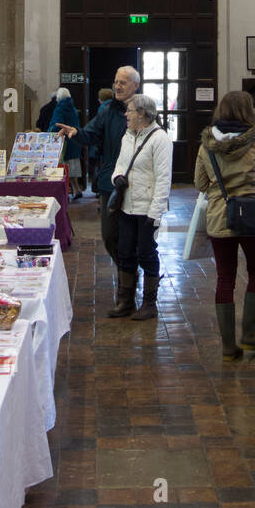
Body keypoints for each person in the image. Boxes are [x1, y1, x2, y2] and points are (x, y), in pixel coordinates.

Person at [194, 91, 255, 361]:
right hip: (251, 216)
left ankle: (229, 347)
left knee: (225, 277)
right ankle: (249, 336)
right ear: (247, 111)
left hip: (219, 215)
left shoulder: (207, 143)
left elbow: (200, 183)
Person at [58, 66, 139, 263]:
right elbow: (91, 134)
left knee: (133, 236)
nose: (117, 87)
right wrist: (76, 133)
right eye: (116, 82)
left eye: (123, 82)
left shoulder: (144, 110)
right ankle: (125, 269)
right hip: (109, 181)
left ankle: (127, 278)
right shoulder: (108, 110)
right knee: (109, 235)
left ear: (135, 86)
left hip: (137, 182)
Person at [108, 94, 173, 320]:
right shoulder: (128, 135)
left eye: (130, 110)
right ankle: (125, 301)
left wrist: (155, 213)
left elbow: (164, 179)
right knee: (125, 252)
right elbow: (120, 165)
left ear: (142, 114)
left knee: (146, 253)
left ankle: (149, 303)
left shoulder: (160, 139)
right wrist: (116, 178)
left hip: (148, 209)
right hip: (127, 205)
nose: (126, 114)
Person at [48, 87, 84, 200]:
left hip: (64, 143)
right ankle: (77, 189)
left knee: (64, 169)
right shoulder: (72, 108)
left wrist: (51, 129)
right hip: (74, 141)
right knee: (73, 168)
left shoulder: (59, 109)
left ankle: (66, 193)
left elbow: (57, 125)